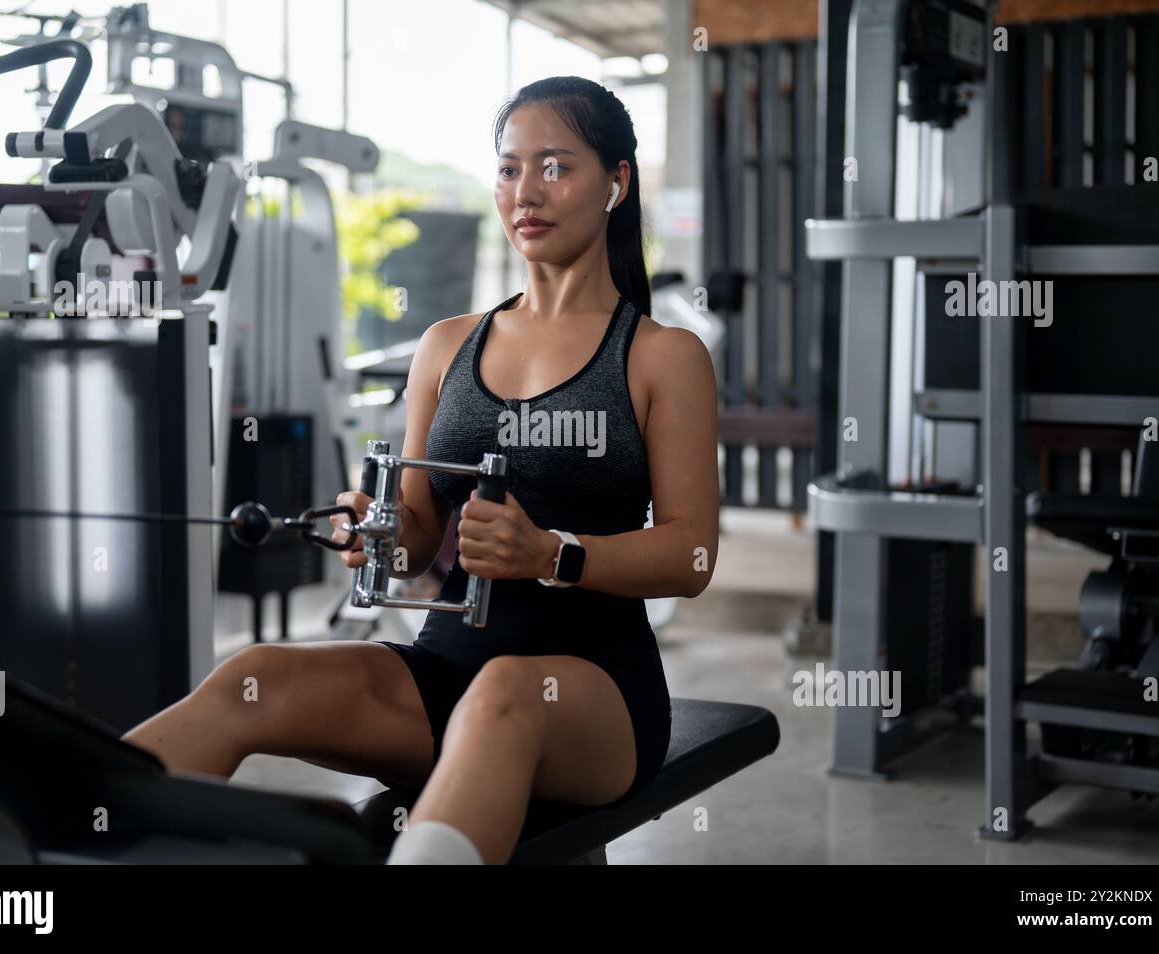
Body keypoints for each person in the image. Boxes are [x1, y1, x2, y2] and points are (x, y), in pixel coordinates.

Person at [123, 75, 720, 864]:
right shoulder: (448, 346)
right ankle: (39, 842)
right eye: (509, 168)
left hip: (593, 695)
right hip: (446, 678)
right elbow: (410, 540)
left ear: (616, 182)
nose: (524, 191)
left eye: (555, 166)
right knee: (255, 675)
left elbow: (692, 555)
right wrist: (372, 534)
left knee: (506, 695)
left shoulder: (659, 356)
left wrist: (552, 554)